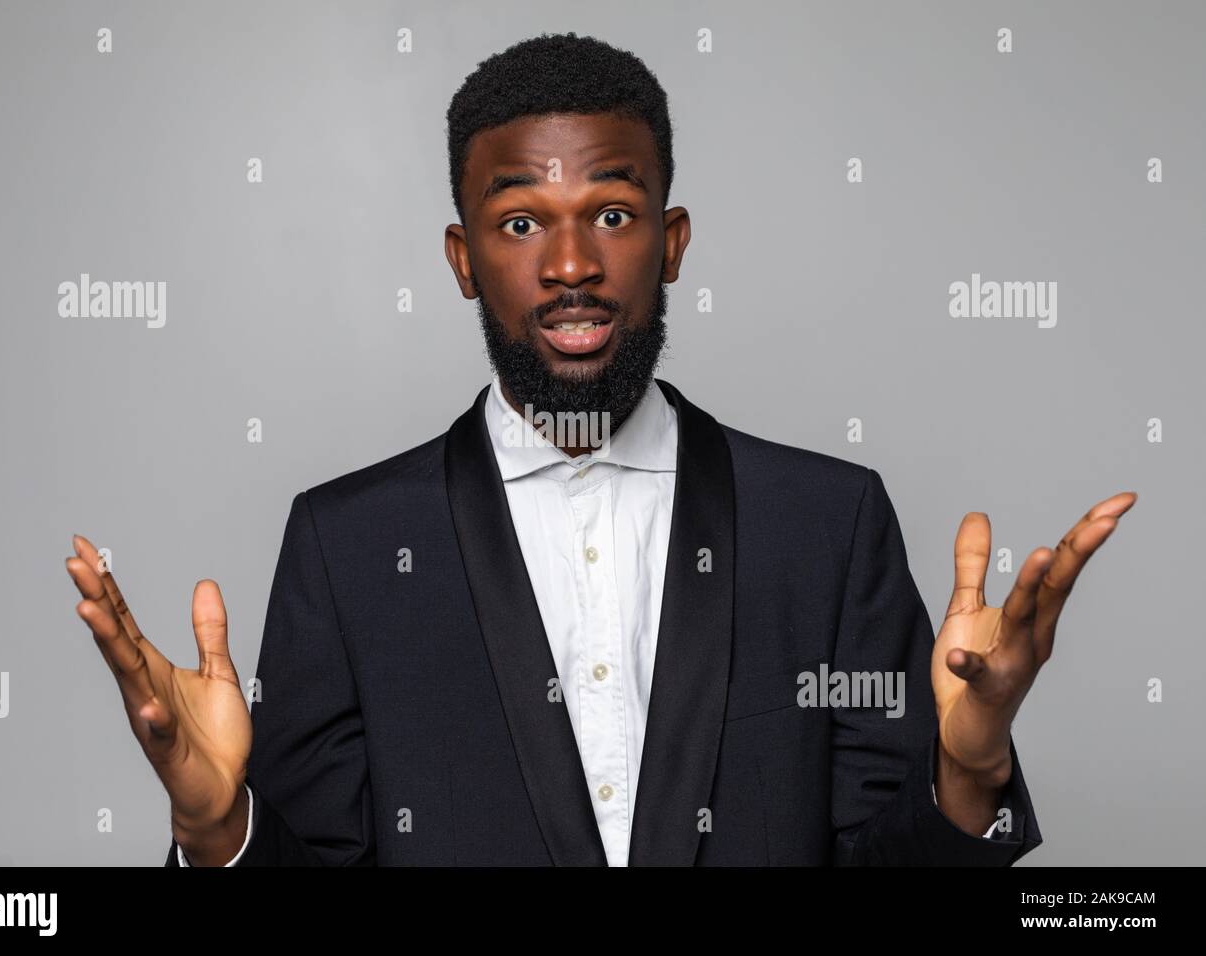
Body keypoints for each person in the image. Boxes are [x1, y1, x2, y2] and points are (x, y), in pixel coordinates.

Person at [63, 32, 1135, 866]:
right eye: (521, 222)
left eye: (612, 214)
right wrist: (222, 832)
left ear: (670, 244)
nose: (571, 262)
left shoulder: (825, 526)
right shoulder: (349, 546)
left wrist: (969, 763)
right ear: (462, 259)